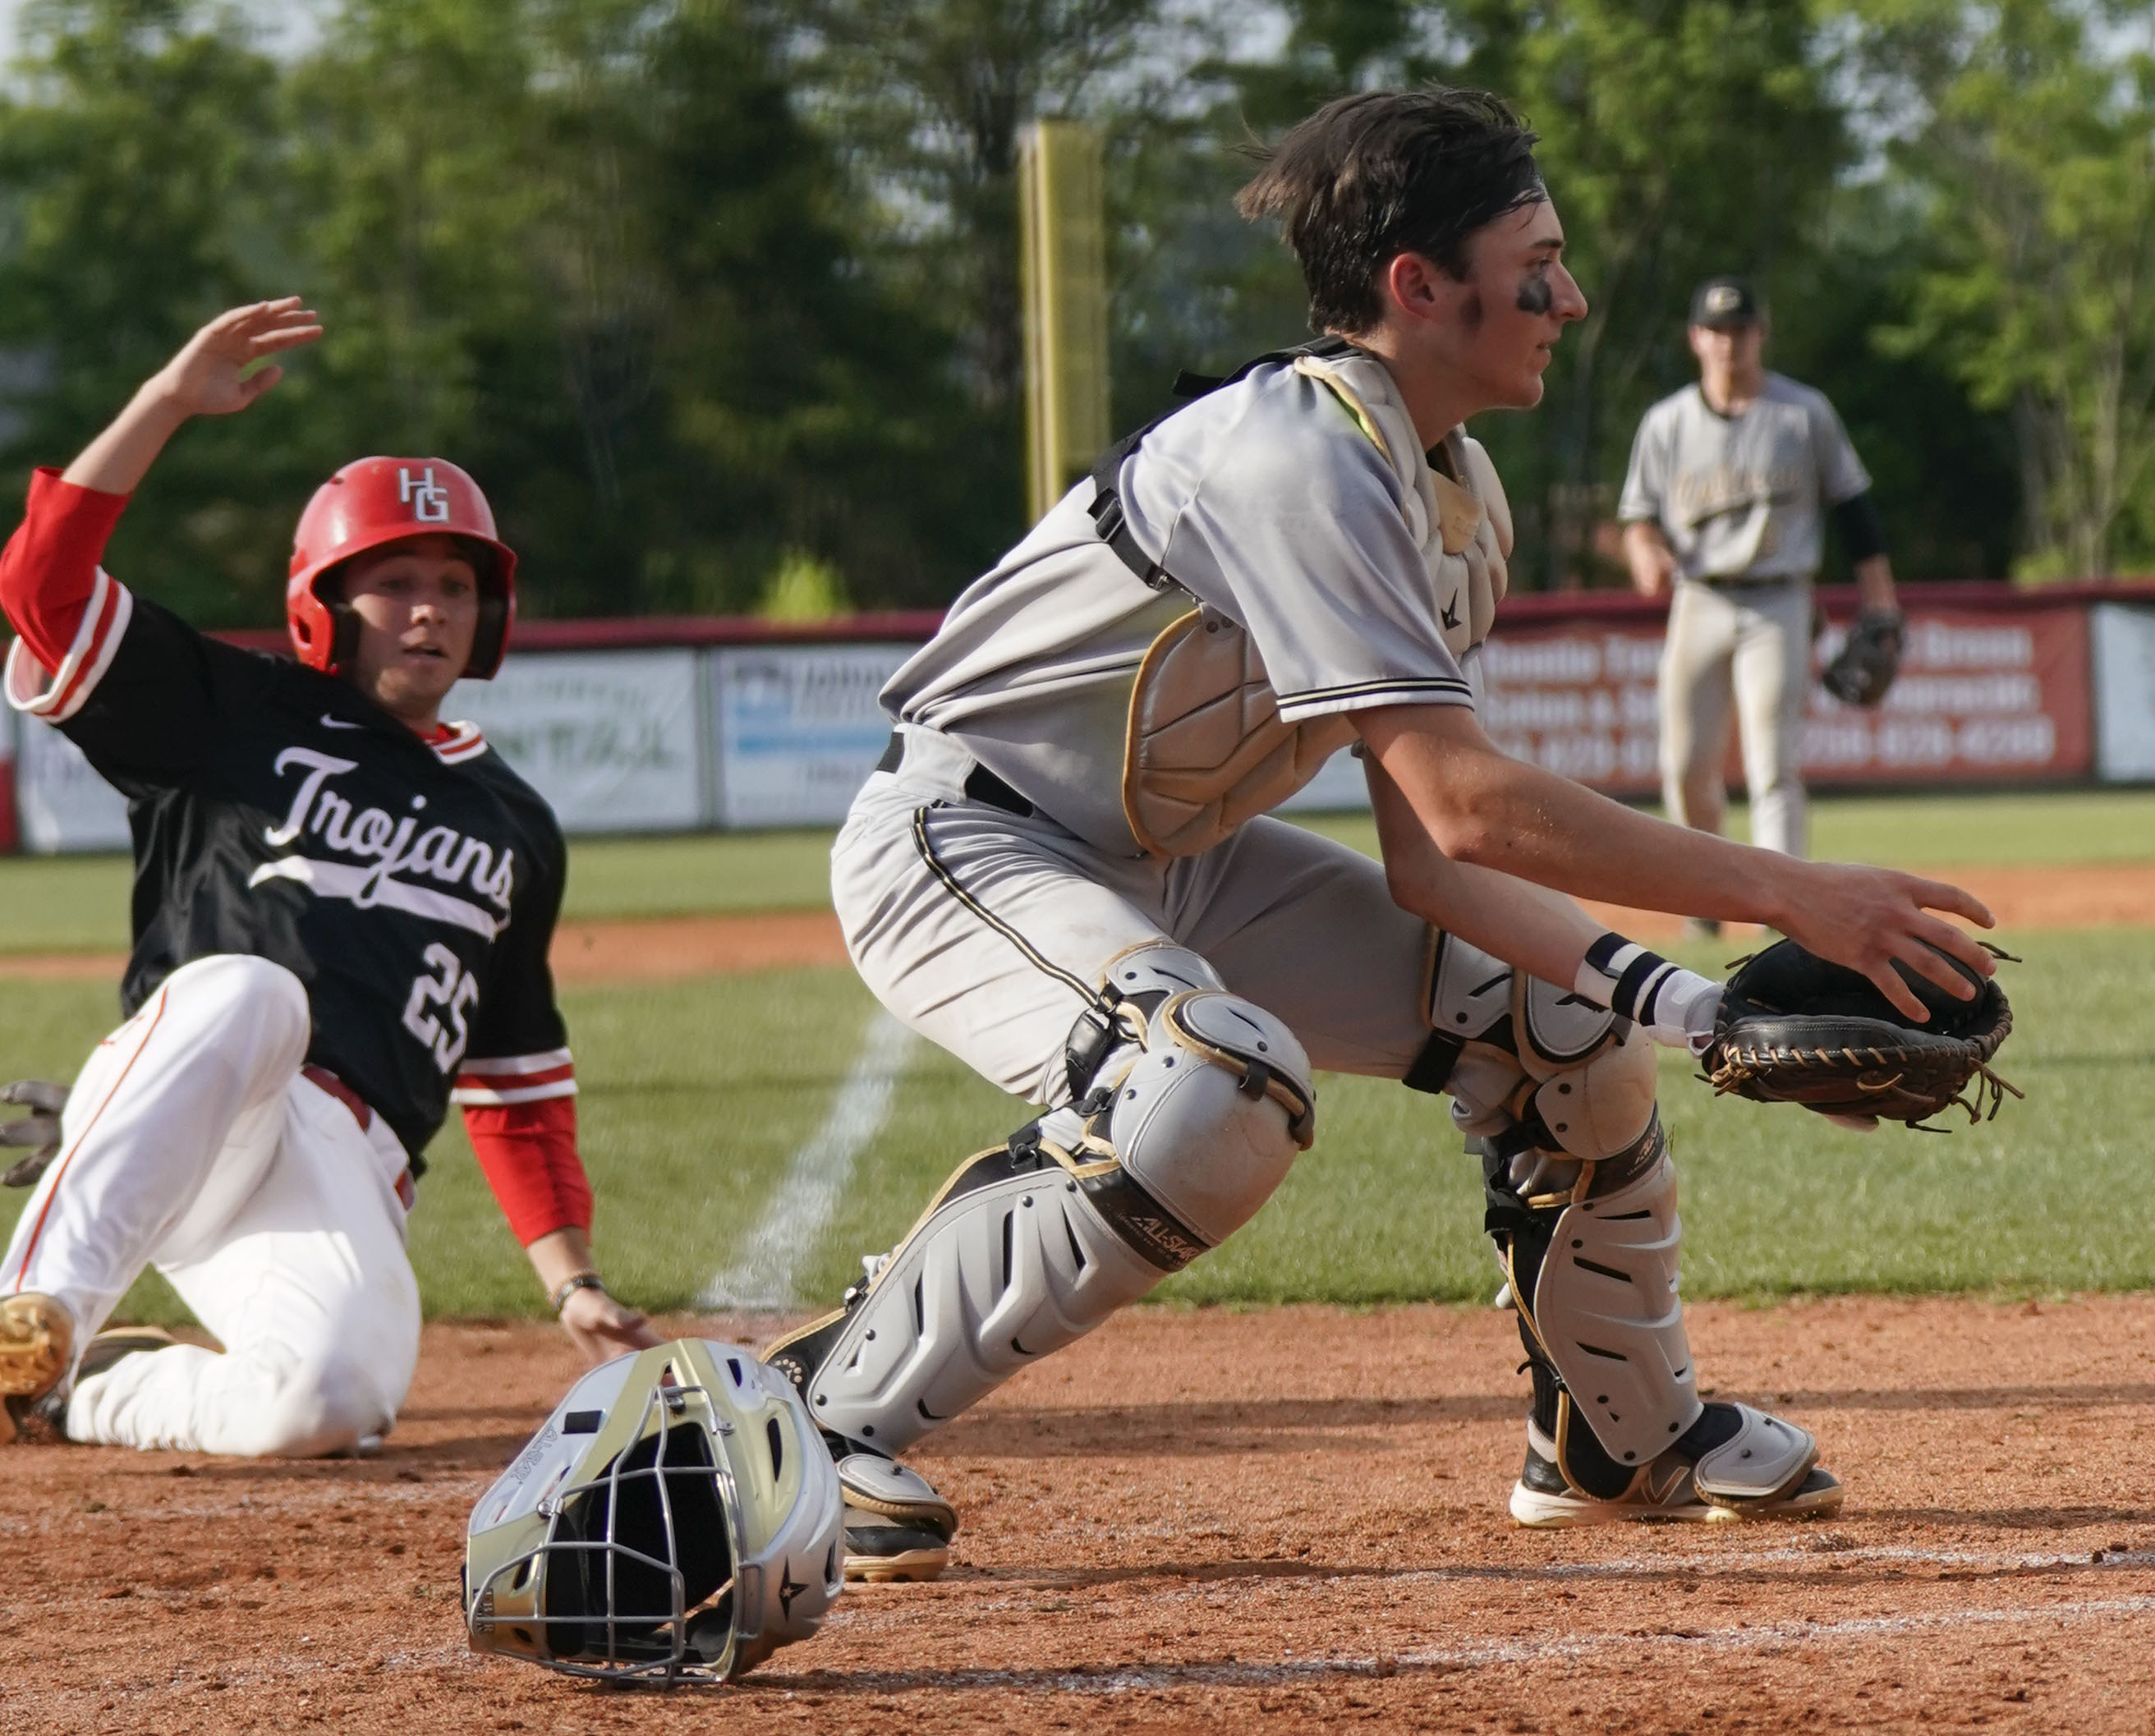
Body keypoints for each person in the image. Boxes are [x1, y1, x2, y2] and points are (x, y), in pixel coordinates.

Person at [762, 88, 1993, 1573]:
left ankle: (1614, 1435)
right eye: (1533, 262)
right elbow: (1475, 797)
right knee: (1211, 1082)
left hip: (1173, 855)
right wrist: (1796, 893)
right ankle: (810, 1418)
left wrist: (1696, 1006)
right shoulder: (1290, 451)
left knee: (1559, 1017)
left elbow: (1434, 853)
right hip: (968, 840)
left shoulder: (1451, 488)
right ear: (1416, 285)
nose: (1570, 297)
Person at [0, 300, 661, 1454]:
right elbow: (41, 590)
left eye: (455, 585)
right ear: (323, 602)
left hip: (345, 1162)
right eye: (394, 580)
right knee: (255, 990)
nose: (429, 610)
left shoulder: (513, 821)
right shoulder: (235, 710)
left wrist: (571, 1282)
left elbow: (513, 1083)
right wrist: (163, 402)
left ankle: (72, 1389)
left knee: (332, 1402)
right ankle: (34, 1307)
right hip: (215, 1084)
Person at [1620, 276, 1901, 905]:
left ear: (1761, 334)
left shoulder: (1802, 414)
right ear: (1696, 339)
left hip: (1779, 601)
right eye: (1716, 331)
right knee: (1686, 769)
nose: (1729, 343)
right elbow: (1637, 516)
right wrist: (1646, 551)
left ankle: (1785, 910)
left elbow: (1856, 510)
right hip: (1699, 598)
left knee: (1774, 765)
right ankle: (1705, 899)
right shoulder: (1666, 424)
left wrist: (1881, 600)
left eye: (1740, 329)